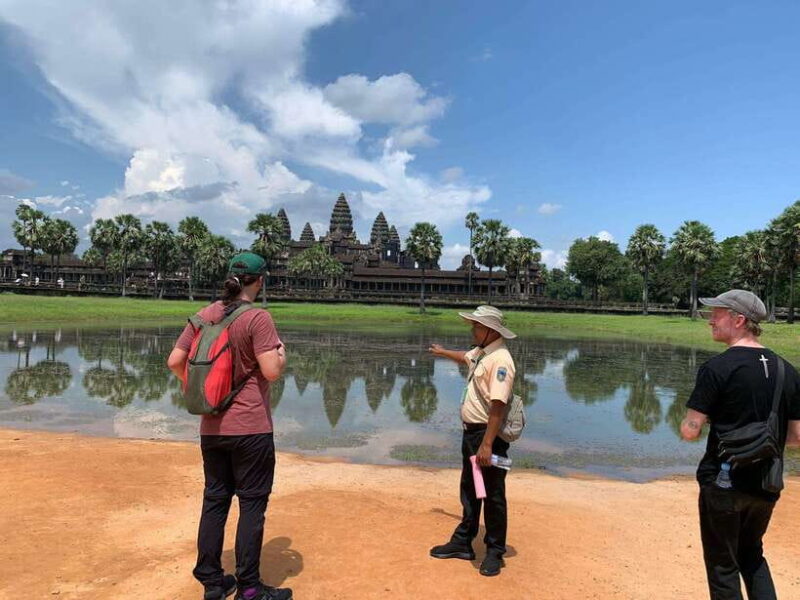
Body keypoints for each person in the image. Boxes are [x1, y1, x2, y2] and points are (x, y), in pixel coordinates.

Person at [167, 252, 291, 600]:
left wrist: (205, 393)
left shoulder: (205, 315)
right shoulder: (258, 318)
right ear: (260, 281)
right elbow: (271, 371)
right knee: (251, 503)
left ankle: (211, 580)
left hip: (211, 428)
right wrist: (282, 353)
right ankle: (250, 588)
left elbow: (175, 361)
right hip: (250, 427)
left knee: (215, 500)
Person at [680, 290, 800, 600]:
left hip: (723, 483)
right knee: (752, 555)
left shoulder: (716, 368)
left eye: (716, 314)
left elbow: (690, 431)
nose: (710, 321)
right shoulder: (788, 370)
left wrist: (703, 421)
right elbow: (797, 438)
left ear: (739, 320)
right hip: (766, 484)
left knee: (723, 565)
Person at [427, 305, 517, 577]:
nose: (472, 329)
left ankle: (494, 552)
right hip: (472, 434)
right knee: (471, 489)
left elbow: (498, 406)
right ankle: (463, 541)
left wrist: (487, 444)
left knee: (492, 495)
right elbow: (464, 358)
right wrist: (442, 352)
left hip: (487, 436)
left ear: (490, 330)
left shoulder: (500, 360)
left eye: (476, 326)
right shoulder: (481, 353)